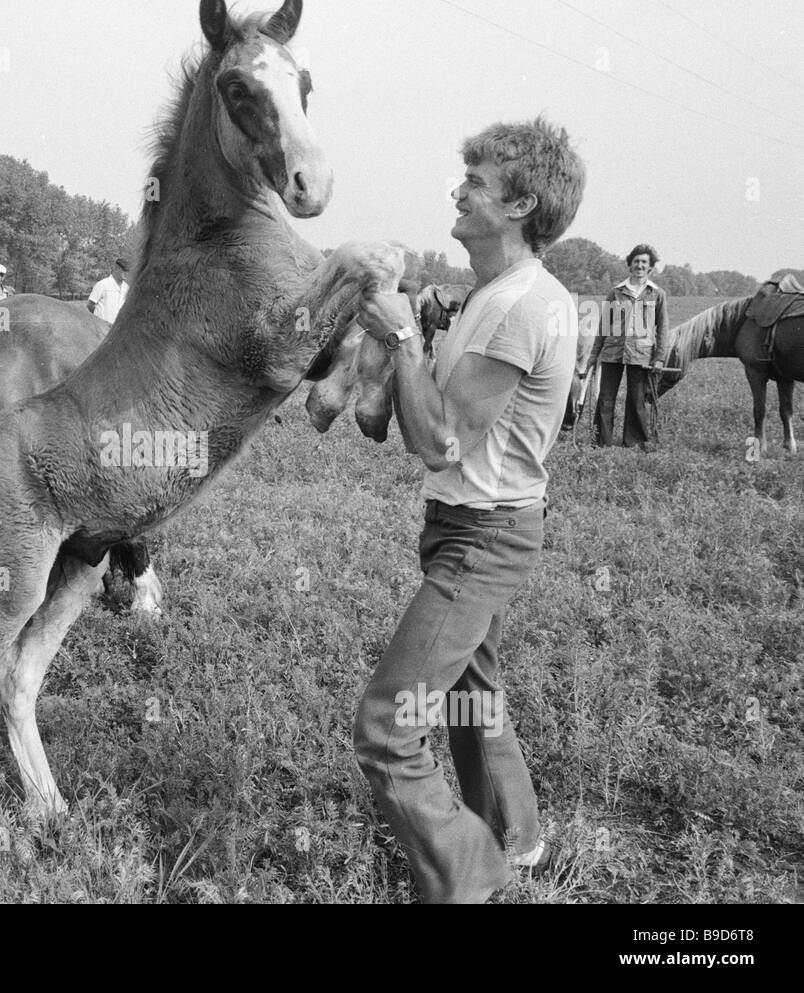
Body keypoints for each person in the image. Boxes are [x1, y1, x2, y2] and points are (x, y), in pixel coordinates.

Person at [351, 116, 586, 904]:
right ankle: (519, 839)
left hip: (483, 537)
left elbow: (441, 440)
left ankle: (471, 873)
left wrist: (403, 341)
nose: (458, 191)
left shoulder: (524, 306)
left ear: (519, 205)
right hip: (466, 523)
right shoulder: (491, 295)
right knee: (471, 691)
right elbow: (418, 419)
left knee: (387, 727)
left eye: (476, 182)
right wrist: (416, 337)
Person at [588, 244, 670, 449]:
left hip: (641, 354)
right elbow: (604, 325)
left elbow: (663, 329)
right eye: (636, 262)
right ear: (630, 265)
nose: (640, 266)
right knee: (605, 398)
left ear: (650, 267)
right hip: (613, 351)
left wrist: (659, 357)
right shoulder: (615, 292)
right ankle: (601, 442)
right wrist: (594, 355)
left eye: (644, 262)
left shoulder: (657, 294)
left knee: (637, 399)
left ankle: (634, 443)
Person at [87, 258, 130, 324]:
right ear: (116, 269)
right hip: (101, 327)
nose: (126, 273)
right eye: (124, 270)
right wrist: (99, 317)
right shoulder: (103, 284)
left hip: (118, 327)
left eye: (127, 271)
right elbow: (90, 305)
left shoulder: (127, 288)